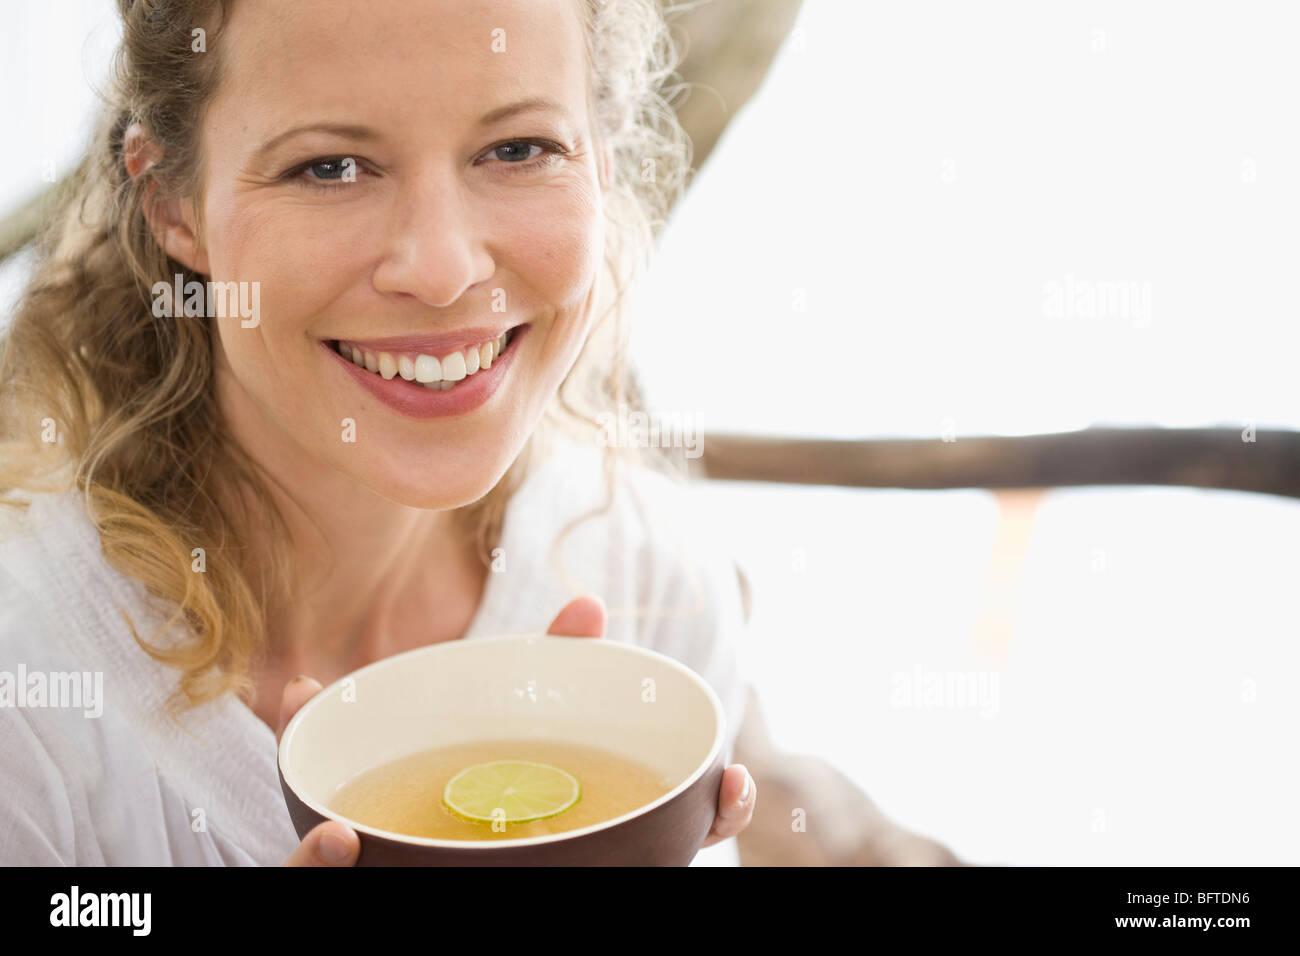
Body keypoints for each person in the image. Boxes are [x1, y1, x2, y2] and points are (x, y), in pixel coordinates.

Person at [0, 0, 758, 866]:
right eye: (330, 167)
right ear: (174, 206)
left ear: (604, 167)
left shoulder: (650, 590)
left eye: (519, 150)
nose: (440, 270)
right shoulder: (28, 708)